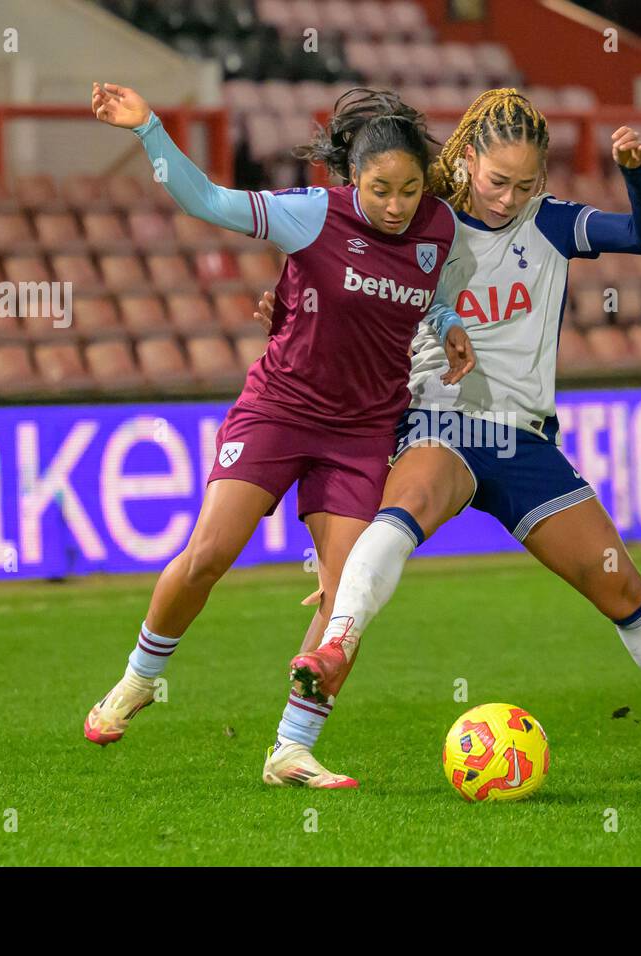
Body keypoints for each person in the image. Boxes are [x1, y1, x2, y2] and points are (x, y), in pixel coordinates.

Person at [258, 89, 641, 788]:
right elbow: (338, 272)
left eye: (525, 184)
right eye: (496, 181)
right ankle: (323, 678)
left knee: (621, 585)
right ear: (468, 158)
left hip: (523, 441)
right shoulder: (424, 223)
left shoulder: (552, 225)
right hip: (439, 422)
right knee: (408, 508)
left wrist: (634, 172)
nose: (510, 197)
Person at [82, 84, 477, 792]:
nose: (396, 205)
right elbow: (207, 201)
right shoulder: (311, 215)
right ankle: (139, 678)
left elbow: (425, 289)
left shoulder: (440, 229)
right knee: (209, 554)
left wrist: (446, 323)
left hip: (361, 429)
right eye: (381, 189)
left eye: (410, 190)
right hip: (281, 408)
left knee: (347, 597)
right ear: (353, 179)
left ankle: (291, 748)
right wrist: (148, 128)